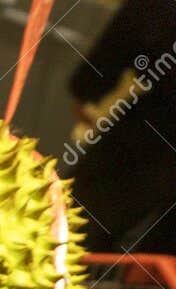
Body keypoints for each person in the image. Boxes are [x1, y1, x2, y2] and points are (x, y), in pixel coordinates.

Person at [66, 2, 176, 254]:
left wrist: (89, 86)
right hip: (155, 123)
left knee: (83, 218)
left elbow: (142, 20)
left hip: (153, 124)